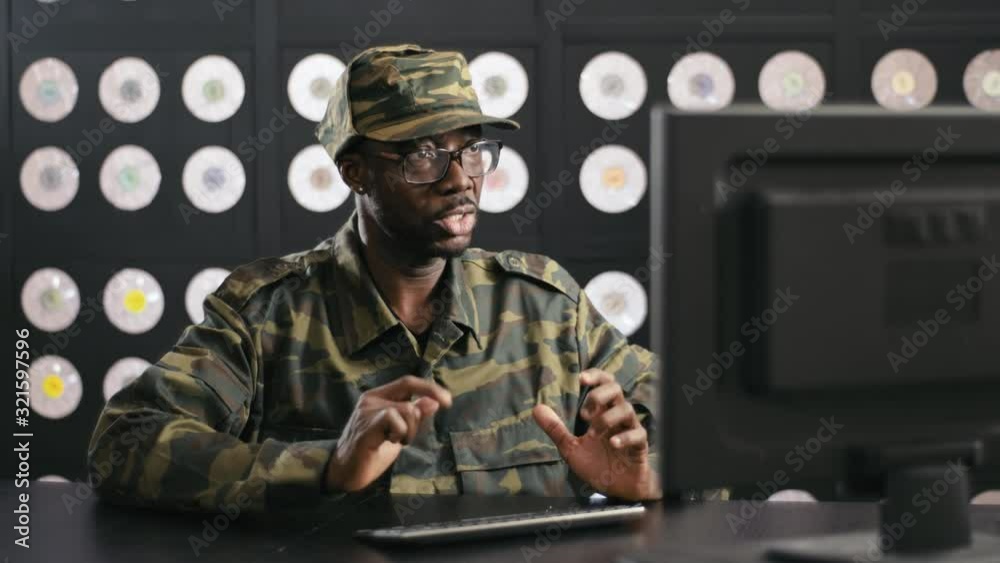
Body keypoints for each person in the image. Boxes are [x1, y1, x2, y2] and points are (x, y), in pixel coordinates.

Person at [87, 44, 661, 512]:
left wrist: (648, 478)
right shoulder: (266, 318)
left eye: (472, 151)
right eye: (424, 155)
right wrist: (326, 466)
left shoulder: (546, 309)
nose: (460, 180)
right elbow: (125, 441)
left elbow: (715, 435)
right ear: (354, 172)